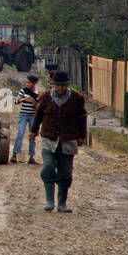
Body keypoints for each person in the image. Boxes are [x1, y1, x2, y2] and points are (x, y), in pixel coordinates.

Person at [29, 70, 87, 213]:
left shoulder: (77, 98)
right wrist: (34, 130)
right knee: (48, 167)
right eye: (58, 85)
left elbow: (82, 117)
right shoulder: (46, 97)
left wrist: (81, 136)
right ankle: (49, 201)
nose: (60, 88)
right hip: (49, 139)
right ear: (53, 85)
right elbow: (38, 115)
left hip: (68, 140)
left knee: (65, 172)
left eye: (63, 86)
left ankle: (62, 203)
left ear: (67, 85)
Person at [10, 74, 40, 164]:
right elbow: (16, 101)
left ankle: (31, 156)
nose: (27, 84)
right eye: (26, 82)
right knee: (20, 134)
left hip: (32, 116)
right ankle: (14, 155)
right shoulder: (23, 91)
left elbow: (39, 106)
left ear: (34, 83)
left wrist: (33, 100)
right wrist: (23, 99)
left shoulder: (38, 93)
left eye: (29, 82)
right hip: (23, 115)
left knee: (32, 136)